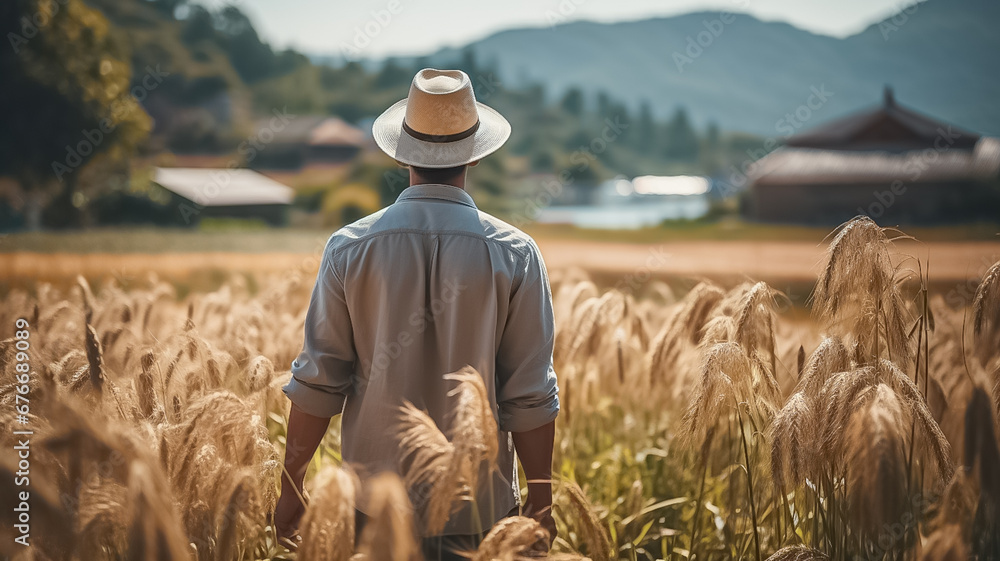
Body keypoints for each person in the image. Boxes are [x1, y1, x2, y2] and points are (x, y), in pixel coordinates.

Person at [274, 68, 560, 559]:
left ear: (401, 150)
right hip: (480, 513)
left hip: (373, 511)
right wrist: (541, 502)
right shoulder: (515, 253)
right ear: (474, 152)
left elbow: (320, 381)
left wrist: (291, 486)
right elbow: (530, 393)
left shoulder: (349, 249)